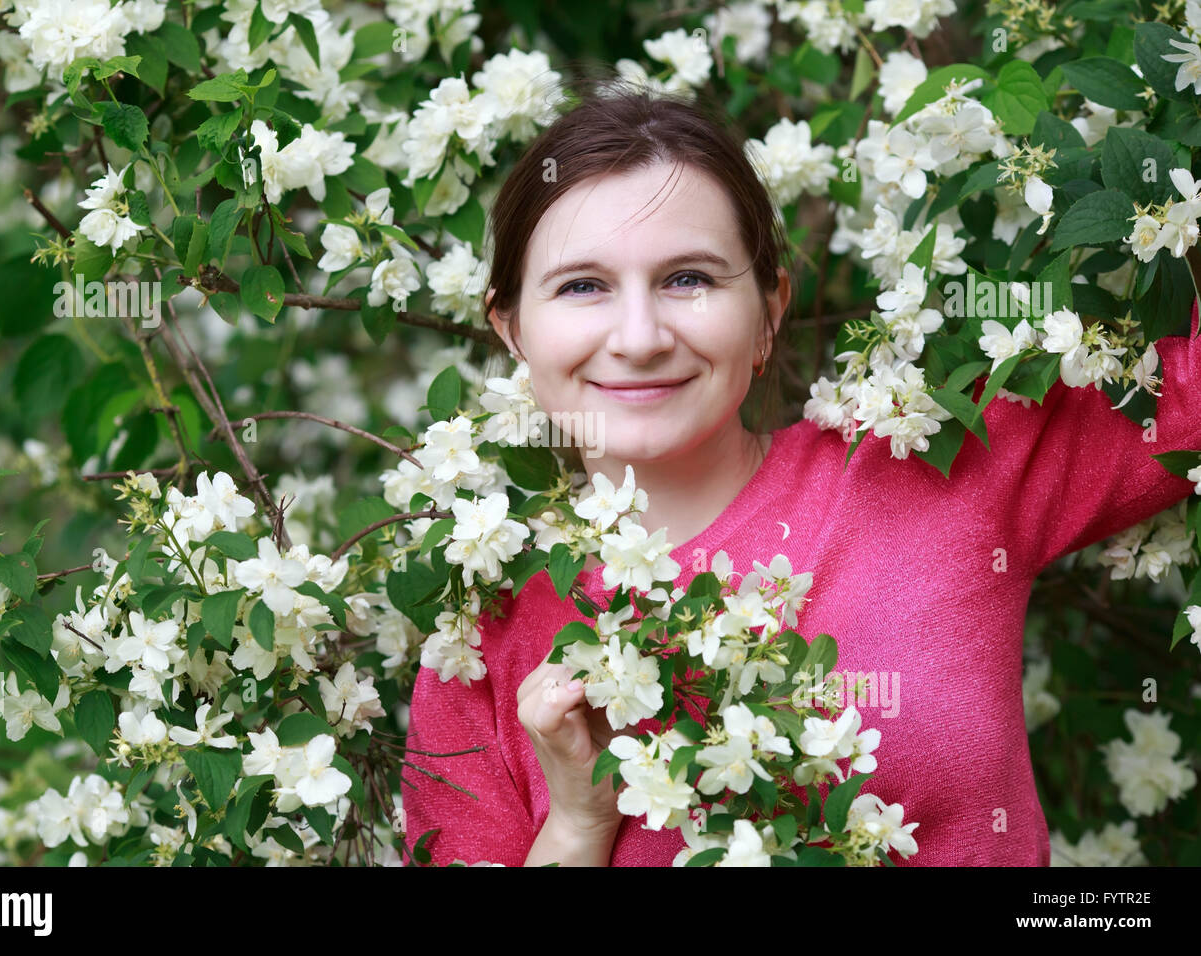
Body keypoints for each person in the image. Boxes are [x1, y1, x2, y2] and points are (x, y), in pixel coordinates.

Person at [400, 77, 1201, 867]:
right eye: (583, 286)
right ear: (511, 330)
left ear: (770, 309)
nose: (639, 337)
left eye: (689, 279)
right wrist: (580, 821)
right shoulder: (477, 640)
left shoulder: (924, 458)